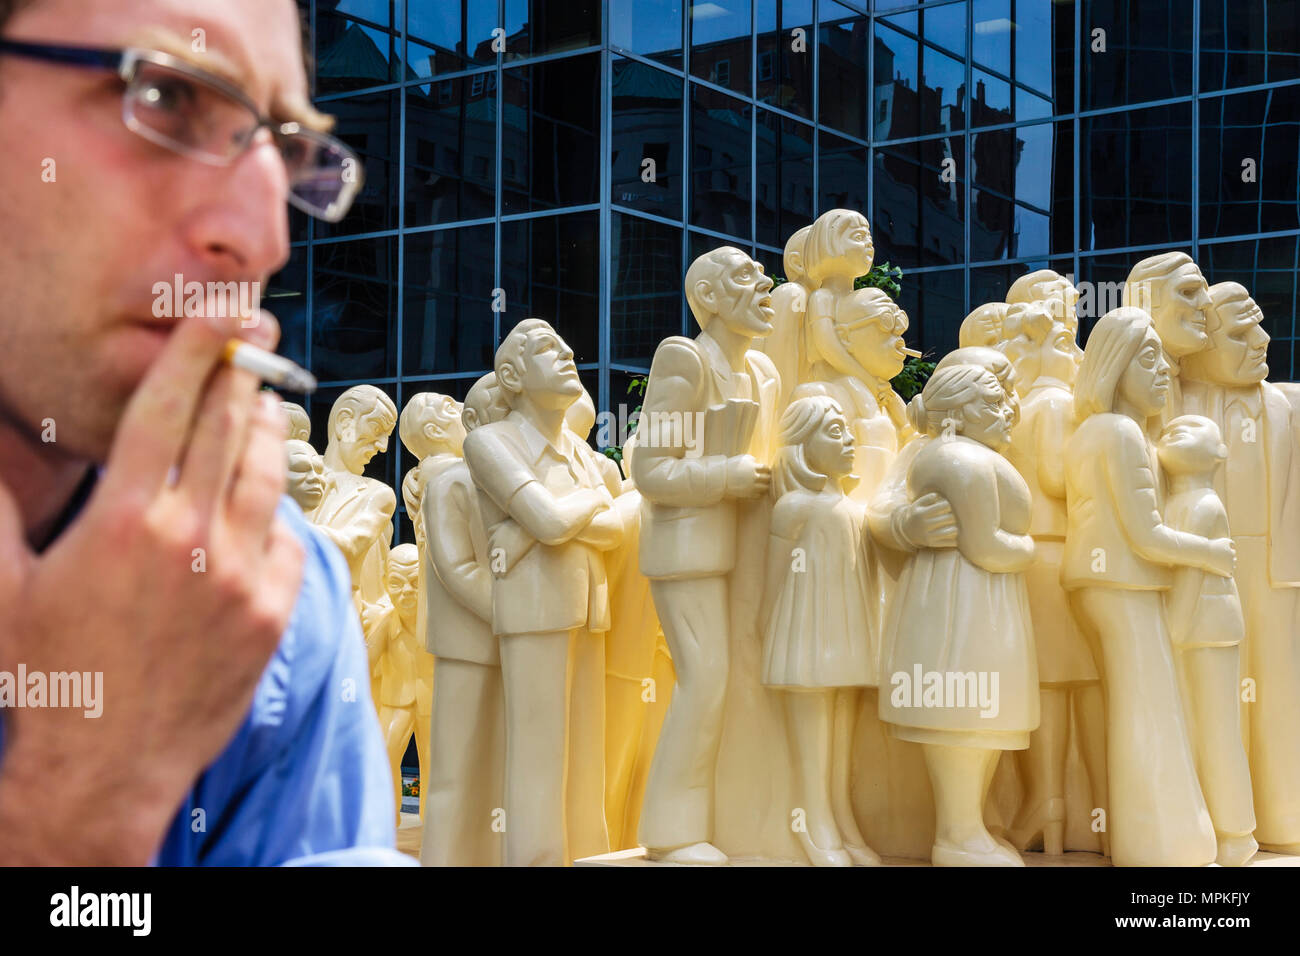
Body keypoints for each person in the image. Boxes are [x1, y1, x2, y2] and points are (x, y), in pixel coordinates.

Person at [0, 0, 407, 864]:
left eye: (289, 149)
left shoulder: (265, 593)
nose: (264, 242)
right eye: (167, 98)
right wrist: (79, 808)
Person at [1062, 307, 1228, 867]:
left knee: (1141, 706)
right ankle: (1159, 841)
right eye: (1148, 358)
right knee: (1148, 709)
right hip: (1123, 585)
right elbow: (1146, 535)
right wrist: (1208, 553)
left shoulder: (1096, 432)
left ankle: (1151, 835)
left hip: (1104, 584)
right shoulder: (1121, 433)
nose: (1164, 372)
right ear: (1114, 365)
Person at [633, 245, 782, 864]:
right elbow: (649, 467)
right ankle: (671, 832)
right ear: (711, 298)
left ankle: (737, 818)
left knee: (741, 683)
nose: (764, 284)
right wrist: (725, 474)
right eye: (747, 278)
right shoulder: (685, 358)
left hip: (746, 548)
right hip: (688, 549)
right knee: (705, 682)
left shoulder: (765, 373)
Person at [462, 319, 624, 867]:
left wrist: (542, 522)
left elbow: (614, 530)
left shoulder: (579, 453)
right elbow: (554, 522)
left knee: (586, 755)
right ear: (511, 374)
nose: (569, 352)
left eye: (565, 344)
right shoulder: (491, 441)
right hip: (532, 613)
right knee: (538, 754)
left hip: (586, 611)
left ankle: (586, 856)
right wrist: (572, 510)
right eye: (548, 349)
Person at [879, 364, 1038, 867]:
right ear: (956, 412)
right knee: (962, 709)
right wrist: (904, 526)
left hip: (980, 595)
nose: (1009, 410)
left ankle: (968, 828)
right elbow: (984, 543)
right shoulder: (945, 456)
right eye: (994, 402)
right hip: (959, 595)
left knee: (981, 714)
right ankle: (957, 833)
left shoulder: (968, 455)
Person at [1181, 281, 1300, 854]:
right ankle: (1220, 823)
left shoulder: (1285, 405)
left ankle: (1283, 815)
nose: (1263, 339)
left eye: (1259, 323)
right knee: (1211, 699)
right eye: (1240, 331)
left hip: (1275, 571)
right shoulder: (1168, 405)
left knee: (1277, 696)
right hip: (1202, 570)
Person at [761, 395, 880, 867]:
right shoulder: (793, 507)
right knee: (813, 733)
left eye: (847, 430)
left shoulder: (851, 508)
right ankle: (813, 821)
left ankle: (840, 819)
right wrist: (767, 629)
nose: (849, 439)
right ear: (801, 444)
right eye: (834, 431)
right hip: (804, 629)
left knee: (842, 730)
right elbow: (773, 581)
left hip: (845, 630)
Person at [1156, 414, 1258, 866]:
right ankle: (1216, 828)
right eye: (1171, 427)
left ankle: (1237, 832)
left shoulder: (1201, 505)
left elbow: (1194, 578)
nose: (1176, 427)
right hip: (1194, 629)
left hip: (1205, 630)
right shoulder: (1175, 503)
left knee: (1216, 729)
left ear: (1220, 454)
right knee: (1202, 729)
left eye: (1194, 426)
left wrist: (1172, 637)